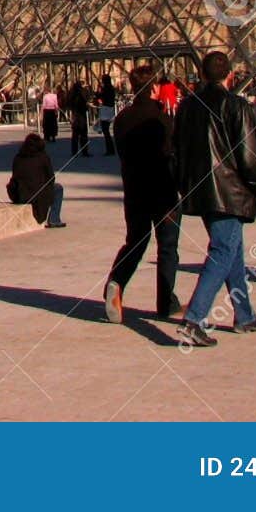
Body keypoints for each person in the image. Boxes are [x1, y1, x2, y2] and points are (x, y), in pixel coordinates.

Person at [174, 51, 256, 346]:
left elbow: (177, 149)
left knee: (233, 251)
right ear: (230, 75)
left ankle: (244, 316)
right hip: (229, 190)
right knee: (222, 251)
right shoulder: (236, 105)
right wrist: (255, 185)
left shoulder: (187, 107)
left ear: (202, 75)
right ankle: (194, 319)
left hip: (201, 189)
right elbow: (248, 154)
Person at [103, 64, 181, 323]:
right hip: (163, 191)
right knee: (167, 247)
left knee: (135, 241)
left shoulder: (122, 119)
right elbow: (171, 154)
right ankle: (166, 302)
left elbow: (123, 154)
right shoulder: (162, 119)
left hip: (134, 190)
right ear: (155, 88)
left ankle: (116, 282)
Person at [8, 133, 65, 227]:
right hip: (38, 194)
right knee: (58, 188)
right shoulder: (43, 157)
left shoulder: (18, 157)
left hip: (21, 194)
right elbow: (51, 177)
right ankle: (54, 219)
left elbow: (15, 175)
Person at [67, 80, 92, 156]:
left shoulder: (72, 93)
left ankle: (74, 152)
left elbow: (69, 102)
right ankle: (85, 152)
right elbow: (87, 101)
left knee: (75, 135)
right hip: (82, 115)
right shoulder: (84, 91)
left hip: (75, 115)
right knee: (83, 134)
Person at [97, 75, 118, 156]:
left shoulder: (105, 89)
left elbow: (100, 96)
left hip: (105, 108)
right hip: (110, 108)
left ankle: (110, 149)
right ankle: (111, 148)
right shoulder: (111, 88)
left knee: (105, 131)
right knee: (106, 130)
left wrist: (98, 92)